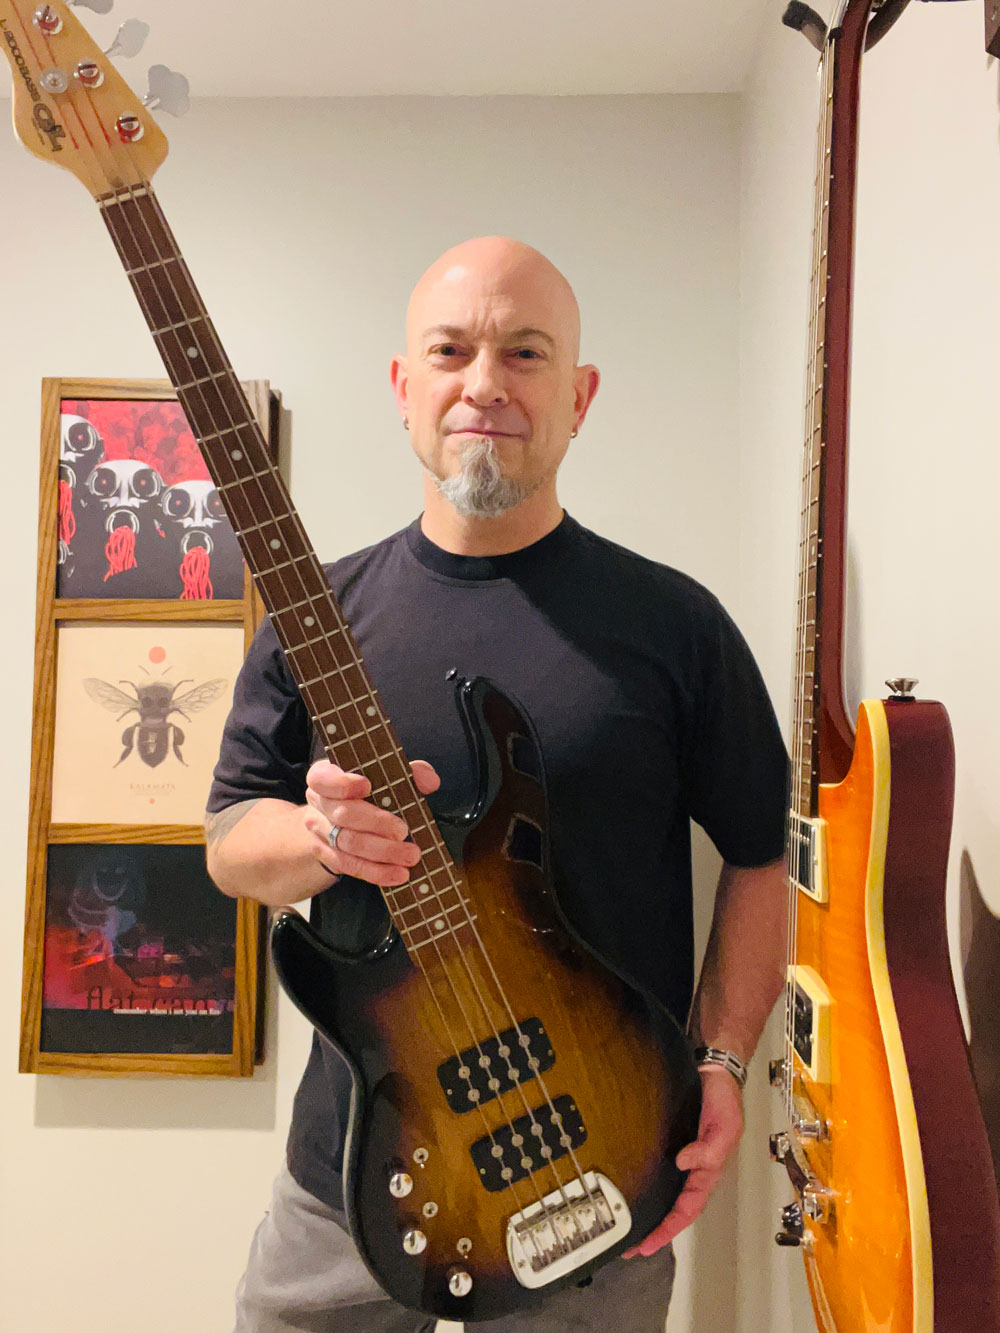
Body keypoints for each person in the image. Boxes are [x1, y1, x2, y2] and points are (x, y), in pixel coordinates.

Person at [205, 236, 789, 1333]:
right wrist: (319, 837)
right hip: (350, 1166)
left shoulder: (675, 625)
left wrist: (719, 1058)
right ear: (403, 386)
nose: (486, 384)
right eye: (452, 349)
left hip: (595, 1161)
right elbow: (230, 838)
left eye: (525, 353)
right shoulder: (314, 612)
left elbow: (762, 853)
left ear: (579, 395)